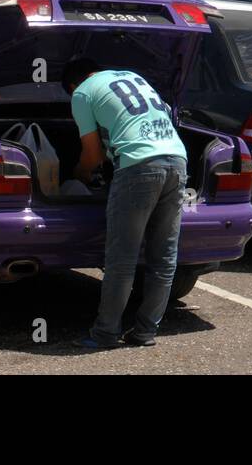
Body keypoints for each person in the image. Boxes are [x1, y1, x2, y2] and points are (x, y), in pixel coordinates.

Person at [63, 57, 188, 349]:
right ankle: (145, 332)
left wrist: (77, 174)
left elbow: (92, 155)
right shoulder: (134, 75)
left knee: (122, 258)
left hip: (138, 167)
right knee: (164, 257)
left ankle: (105, 334)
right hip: (177, 160)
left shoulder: (82, 93)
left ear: (72, 85)